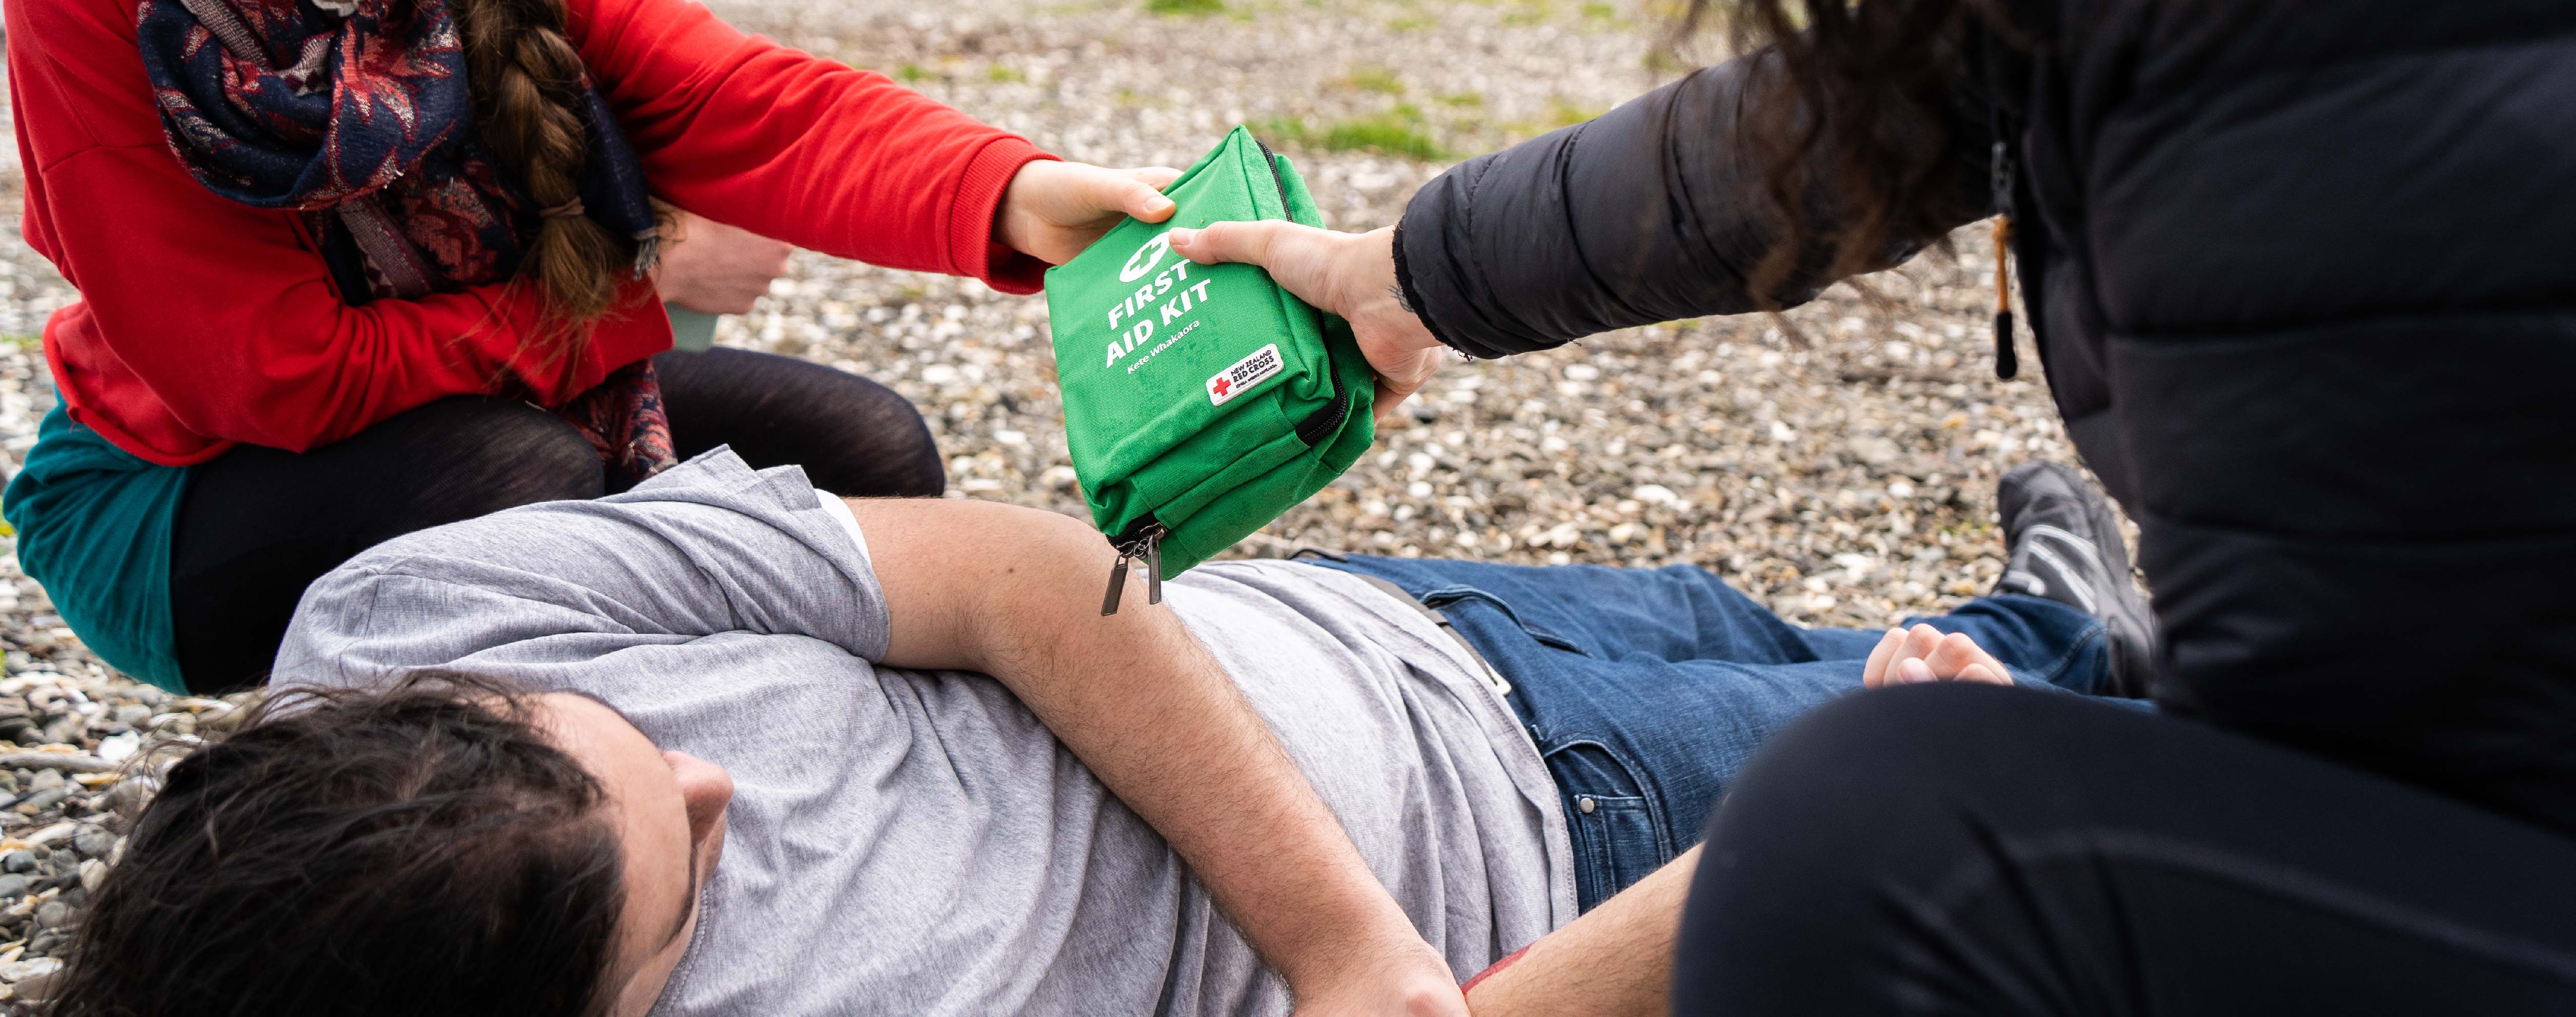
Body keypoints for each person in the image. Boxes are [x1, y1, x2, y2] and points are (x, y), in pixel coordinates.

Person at [1164, 0, 2576, 1010]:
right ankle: (2058, 640)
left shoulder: (2312, 90)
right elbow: (1850, 115)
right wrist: (1418, 273)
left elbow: (2377, 756)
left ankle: (2055, 642)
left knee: (1860, 841)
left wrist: (2066, 770)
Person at [45, 447, 2142, 1016]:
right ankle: (2110, 653)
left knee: (1785, 625)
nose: (709, 773)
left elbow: (1018, 576)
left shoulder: (406, 617)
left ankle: (2044, 614)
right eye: (679, 870)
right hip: (1552, 857)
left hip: (1372, 626)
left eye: (625, 735)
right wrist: (1814, 840)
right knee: (2085, 787)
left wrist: (1329, 944)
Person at [0, 0, 1188, 695]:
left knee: (871, 453)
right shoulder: (80, 18)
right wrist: (616, 307)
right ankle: (481, 853)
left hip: (507, 399)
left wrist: (1008, 189)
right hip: (168, 489)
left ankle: (764, 770)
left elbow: (752, 107)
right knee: (535, 499)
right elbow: (273, 369)